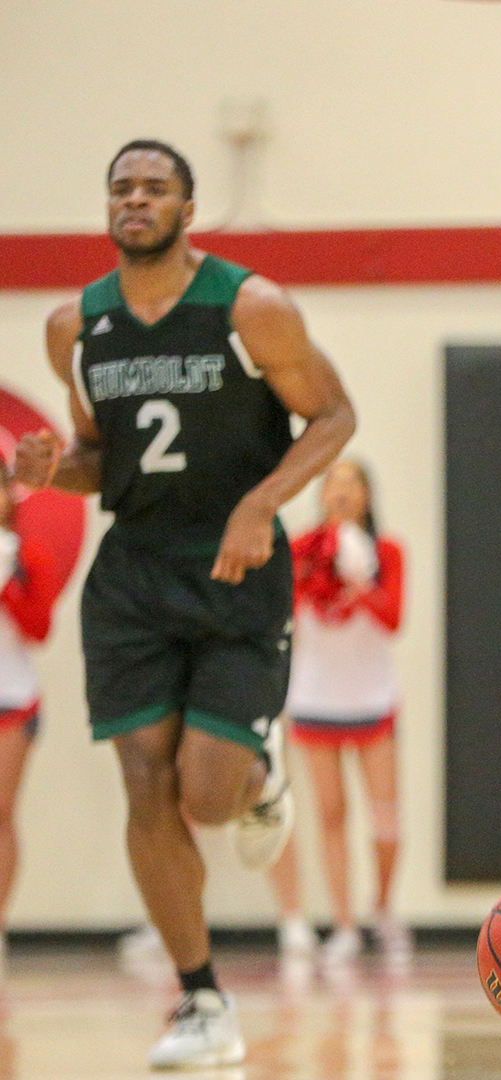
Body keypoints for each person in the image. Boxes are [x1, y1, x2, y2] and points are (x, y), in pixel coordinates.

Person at [15, 139, 354, 1068]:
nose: (135, 200)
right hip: (133, 574)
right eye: (121, 188)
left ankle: (258, 773)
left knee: (207, 794)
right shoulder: (75, 324)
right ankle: (200, 999)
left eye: (154, 188)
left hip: (238, 567)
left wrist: (259, 503)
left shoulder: (252, 307)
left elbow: (335, 417)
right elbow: (101, 457)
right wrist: (54, 470)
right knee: (142, 779)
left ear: (188, 209)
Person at [267, 459, 409, 967]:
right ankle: (344, 923)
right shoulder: (300, 549)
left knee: (385, 815)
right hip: (316, 699)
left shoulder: (387, 551)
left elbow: (393, 619)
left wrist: (361, 579)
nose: (343, 491)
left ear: (368, 496)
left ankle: (383, 908)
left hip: (371, 699)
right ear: (322, 493)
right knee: (330, 814)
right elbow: (281, 610)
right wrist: (317, 569)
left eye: (354, 483)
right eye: (334, 482)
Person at [0, 461, 63, 972]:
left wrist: (9, 584)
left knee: (1, 817)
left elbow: (40, 629)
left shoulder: (29, 556)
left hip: (11, 699)